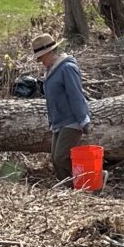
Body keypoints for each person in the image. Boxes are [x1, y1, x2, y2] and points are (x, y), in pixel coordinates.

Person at [35, 34, 90, 183]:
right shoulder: (50, 71)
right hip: (58, 121)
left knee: (61, 157)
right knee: (55, 159)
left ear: (49, 52)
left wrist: (83, 119)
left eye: (41, 57)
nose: (40, 61)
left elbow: (75, 94)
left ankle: (92, 178)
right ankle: (71, 187)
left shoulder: (67, 68)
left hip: (72, 120)